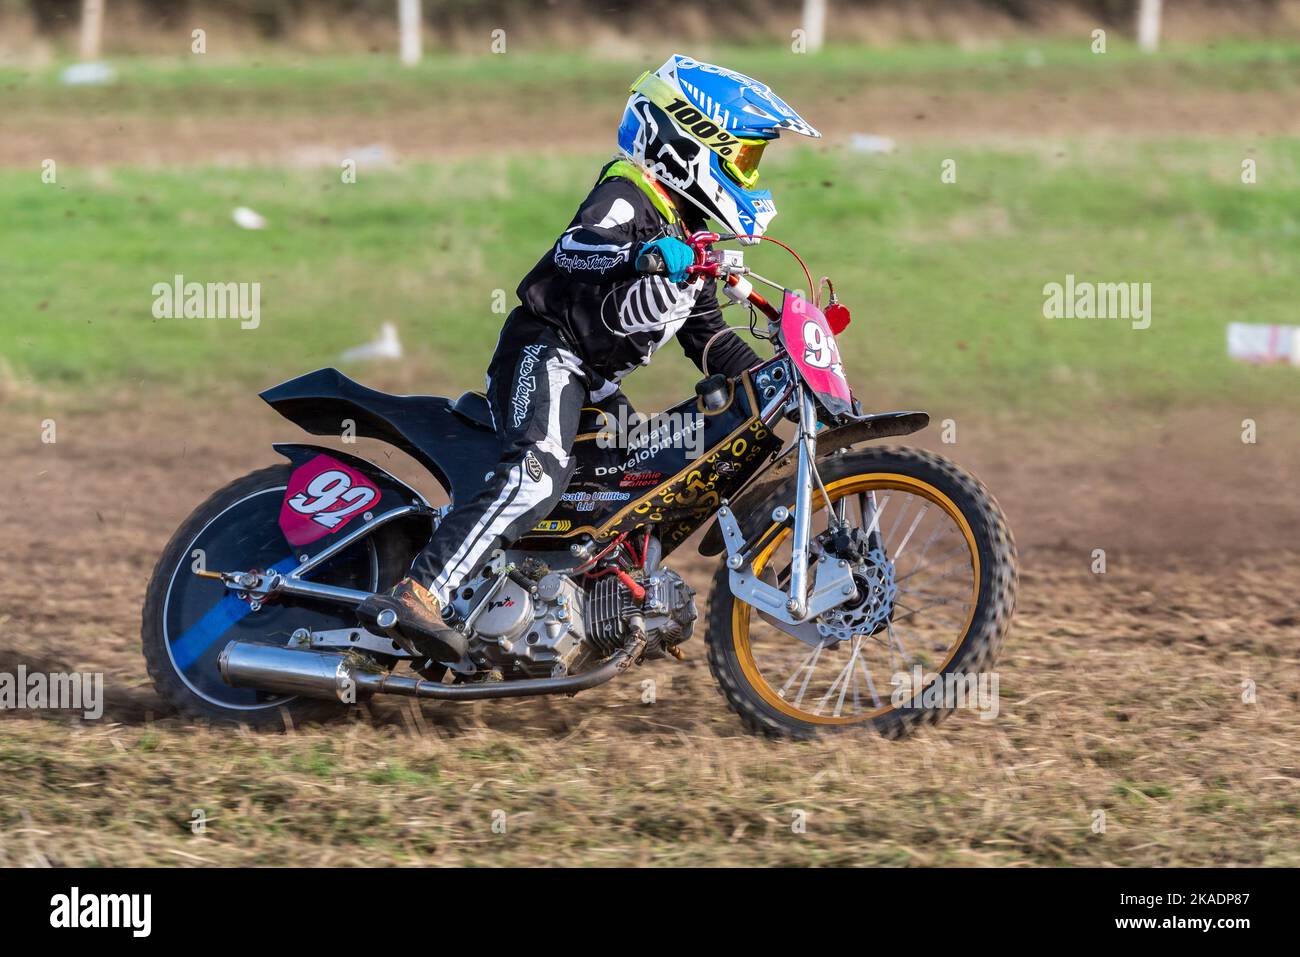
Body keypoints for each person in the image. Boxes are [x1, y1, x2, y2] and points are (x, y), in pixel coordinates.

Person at [360, 54, 821, 647]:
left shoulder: (689, 243)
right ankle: (420, 593)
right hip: (546, 354)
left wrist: (785, 377)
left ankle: (596, 609)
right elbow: (580, 246)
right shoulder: (628, 194)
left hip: (595, 386)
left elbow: (710, 342)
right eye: (745, 158)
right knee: (534, 478)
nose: (751, 175)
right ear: (687, 141)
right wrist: (645, 256)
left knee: (645, 488)